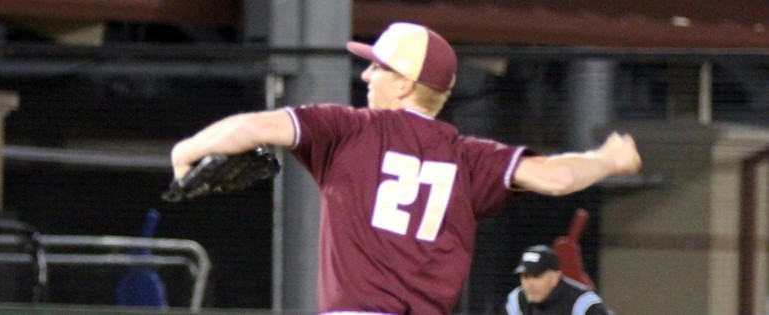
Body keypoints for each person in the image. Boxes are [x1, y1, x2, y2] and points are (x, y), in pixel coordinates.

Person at [170, 21, 641, 314]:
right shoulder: (468, 157)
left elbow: (256, 126)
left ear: (404, 85)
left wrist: (188, 149)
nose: (367, 75)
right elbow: (557, 177)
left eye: (378, 68)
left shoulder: (348, 129)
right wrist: (608, 159)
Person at [505, 245, 613, 315]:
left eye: (537, 277)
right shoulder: (517, 299)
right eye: (525, 276)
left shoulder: (582, 302)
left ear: (555, 277)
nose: (529, 284)